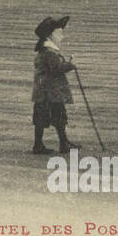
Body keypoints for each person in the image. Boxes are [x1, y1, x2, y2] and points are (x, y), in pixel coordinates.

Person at [31, 15, 80, 154]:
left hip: (44, 92)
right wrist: (70, 65)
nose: (62, 36)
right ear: (50, 36)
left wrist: (67, 64)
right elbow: (56, 69)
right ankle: (60, 144)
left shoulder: (46, 51)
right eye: (59, 33)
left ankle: (42, 144)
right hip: (50, 92)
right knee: (58, 118)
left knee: (43, 118)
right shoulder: (49, 52)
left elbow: (54, 68)